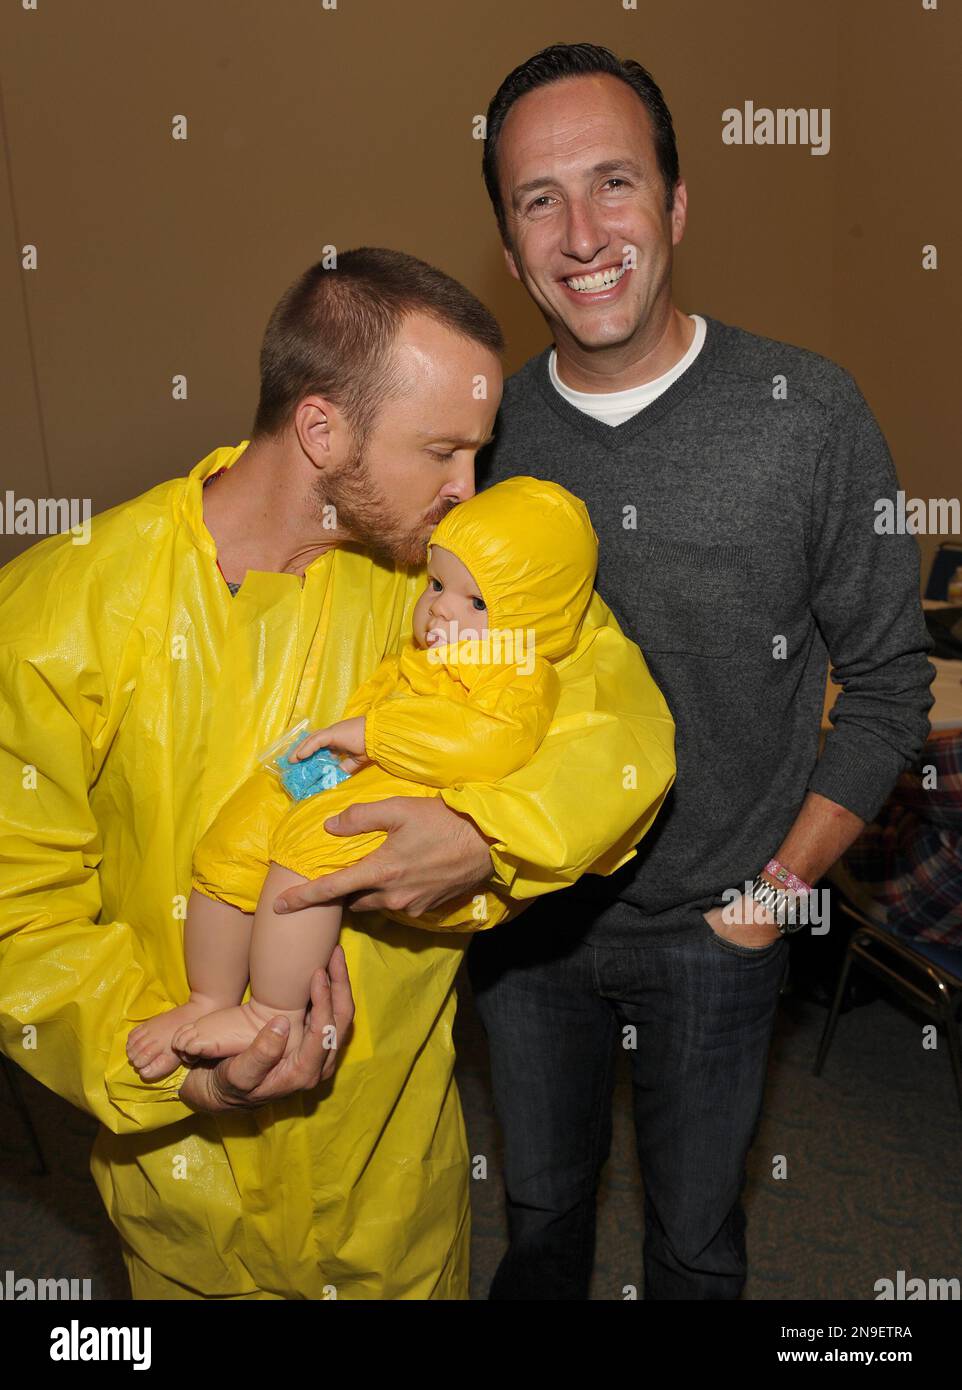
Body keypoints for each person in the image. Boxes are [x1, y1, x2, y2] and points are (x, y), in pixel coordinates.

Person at [0, 246, 674, 1299]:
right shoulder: (62, 610)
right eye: (442, 451)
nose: (467, 491)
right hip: (187, 1198)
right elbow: (18, 920)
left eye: (478, 454)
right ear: (322, 429)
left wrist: (488, 836)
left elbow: (623, 734)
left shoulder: (458, 580)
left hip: (393, 1191)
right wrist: (184, 1063)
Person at [467, 43, 936, 1299]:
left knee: (692, 1247)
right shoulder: (477, 441)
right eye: (537, 200)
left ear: (675, 205)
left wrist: (768, 899)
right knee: (540, 1225)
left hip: (720, 934)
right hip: (522, 927)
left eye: (612, 183)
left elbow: (890, 682)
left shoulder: (807, 414)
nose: (579, 232)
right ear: (509, 253)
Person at [126, 477, 646, 1076]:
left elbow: (485, 745)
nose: (442, 608)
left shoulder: (521, 677)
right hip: (353, 772)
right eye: (437, 586)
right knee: (234, 841)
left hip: (407, 792)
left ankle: (270, 1011)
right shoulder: (425, 653)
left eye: (477, 604)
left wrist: (370, 736)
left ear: (533, 622)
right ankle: (209, 998)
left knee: (309, 857)